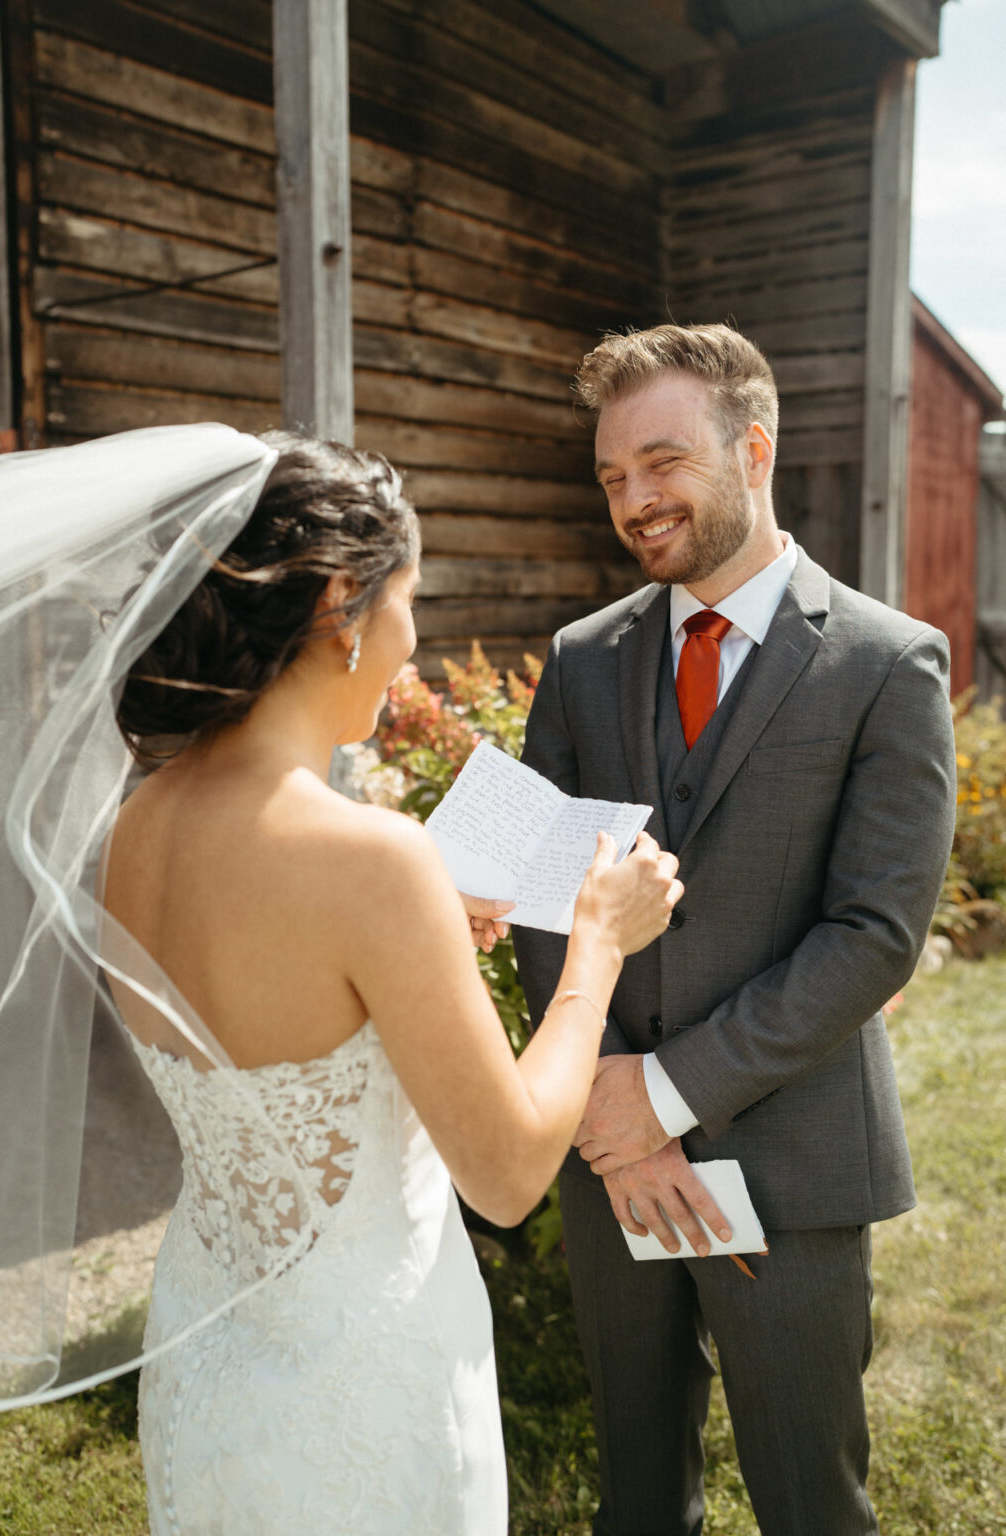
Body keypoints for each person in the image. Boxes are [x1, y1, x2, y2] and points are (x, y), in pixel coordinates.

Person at [0, 422, 683, 1535]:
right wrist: (597, 944)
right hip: (368, 1378)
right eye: (410, 600)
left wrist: (418, 940)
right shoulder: (371, 861)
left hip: (206, 1353)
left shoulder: (132, 830)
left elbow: (277, 1000)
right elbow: (506, 1176)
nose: (414, 639)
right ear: (343, 605)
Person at [512, 323, 957, 1536]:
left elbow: (872, 935)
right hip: (607, 1163)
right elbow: (546, 896)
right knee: (636, 1496)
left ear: (753, 451)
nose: (634, 500)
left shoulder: (886, 663)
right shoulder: (581, 660)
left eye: (662, 462)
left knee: (810, 1501)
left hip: (793, 1161)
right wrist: (613, 1117)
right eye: (613, 475)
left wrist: (660, 1098)